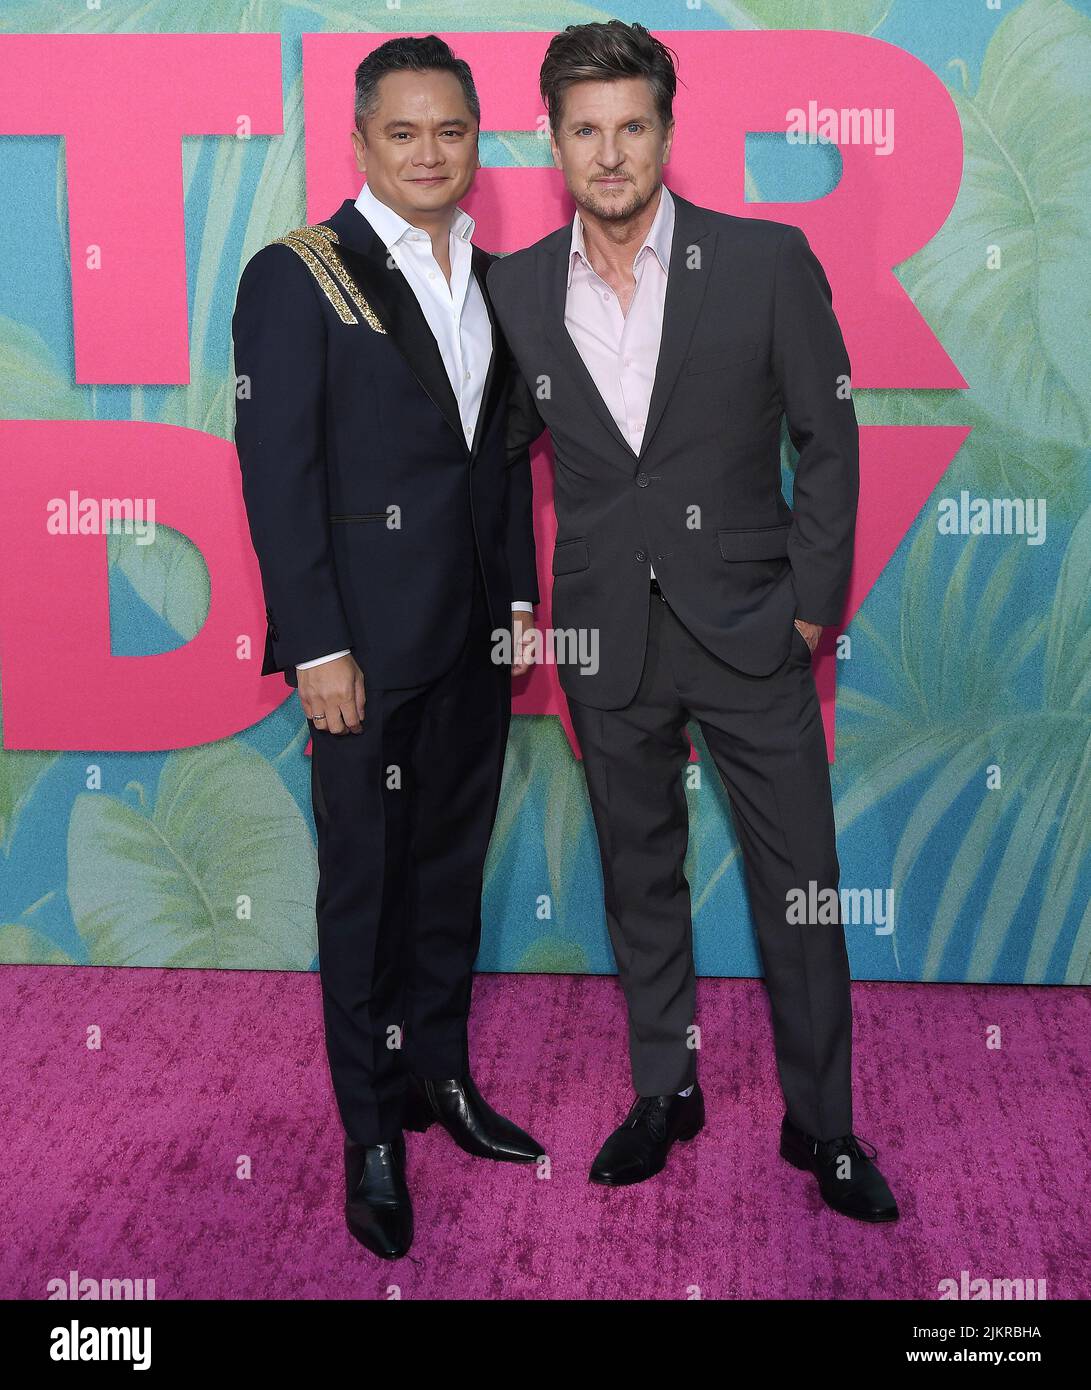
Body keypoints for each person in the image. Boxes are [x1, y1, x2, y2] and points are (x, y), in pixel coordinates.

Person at [487, 20, 897, 1222]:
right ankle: (664, 1090)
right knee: (638, 878)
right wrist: (519, 600)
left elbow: (828, 437)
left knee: (801, 887)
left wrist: (812, 610)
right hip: (605, 633)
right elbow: (499, 461)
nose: (608, 153)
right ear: (554, 141)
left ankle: (821, 1126)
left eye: (631, 127)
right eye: (585, 131)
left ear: (666, 131)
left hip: (753, 629)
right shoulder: (515, 291)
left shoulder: (766, 260)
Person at [232, 35, 545, 1261]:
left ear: (477, 140)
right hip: (358, 650)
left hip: (470, 640)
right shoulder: (298, 273)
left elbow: (497, 461)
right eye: (403, 132)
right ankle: (370, 1131)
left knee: (447, 874)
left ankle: (440, 1082)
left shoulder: (490, 273)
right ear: (358, 140)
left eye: (451, 131)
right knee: (364, 892)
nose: (429, 152)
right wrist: (314, 645)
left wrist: (516, 601)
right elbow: (277, 474)